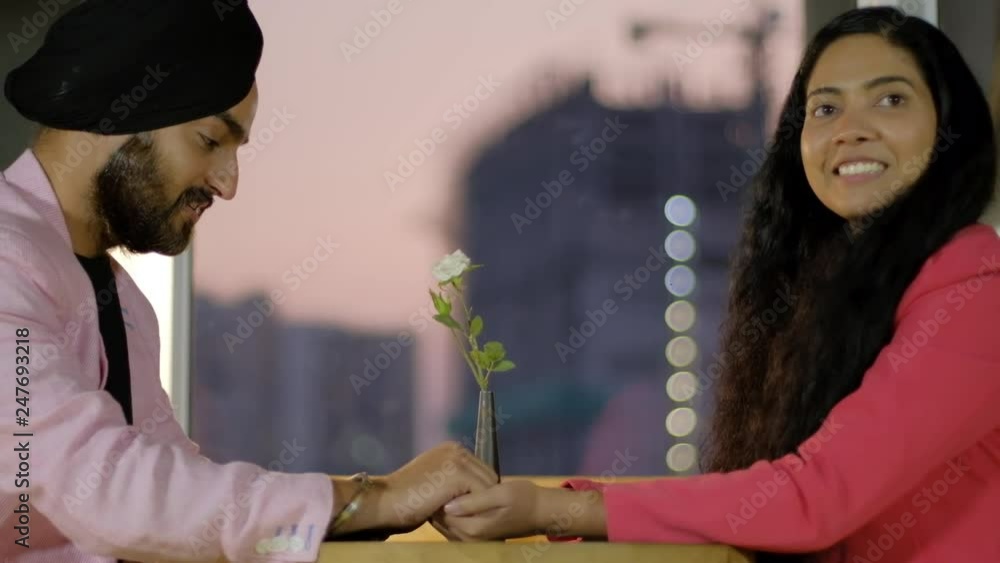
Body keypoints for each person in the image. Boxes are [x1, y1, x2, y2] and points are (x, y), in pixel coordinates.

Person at [435, 7, 1000, 562]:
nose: (850, 130)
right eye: (825, 107)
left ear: (951, 127)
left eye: (891, 99)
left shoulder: (976, 291)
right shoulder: (834, 295)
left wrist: (556, 511)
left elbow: (817, 497)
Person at [0, 2, 496, 562]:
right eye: (210, 141)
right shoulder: (7, 260)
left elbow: (174, 497)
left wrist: (376, 506)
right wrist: (373, 498)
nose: (227, 184)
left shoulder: (121, 299)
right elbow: (107, 487)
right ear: (116, 116)